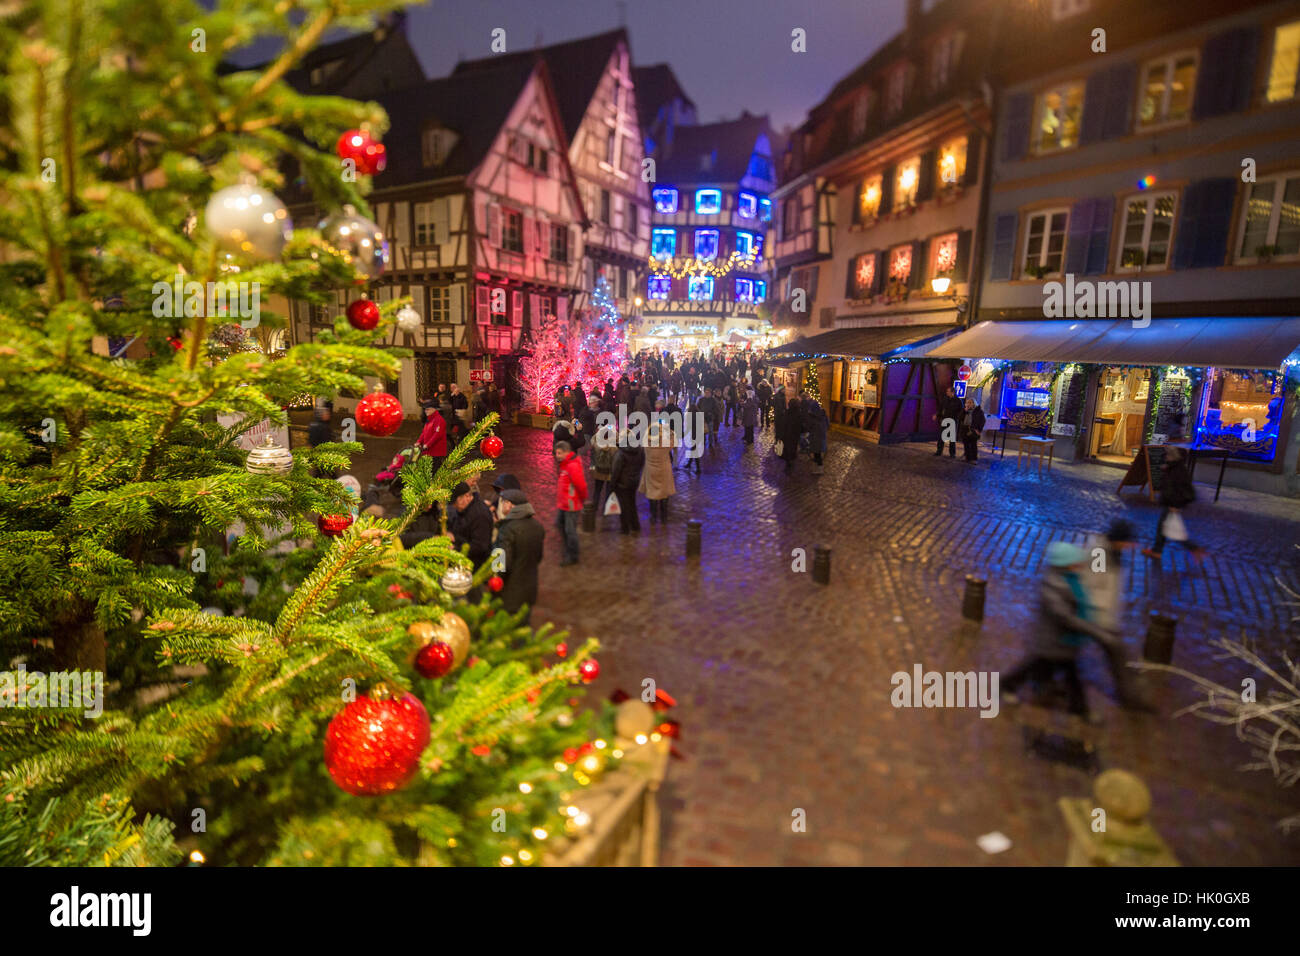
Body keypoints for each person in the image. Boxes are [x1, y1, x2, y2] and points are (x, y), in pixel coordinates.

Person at [1001, 541, 1115, 719]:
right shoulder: (1054, 586)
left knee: (1070, 676)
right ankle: (1005, 686)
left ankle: (1079, 708)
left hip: (1065, 642)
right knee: (1035, 668)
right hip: (1053, 642)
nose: (1079, 564)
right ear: (1065, 564)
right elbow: (1065, 617)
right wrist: (1094, 631)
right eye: (1075, 562)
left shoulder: (1070, 579)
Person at [1083, 519, 1155, 711]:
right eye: (1127, 542)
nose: (1130, 546)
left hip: (1106, 619)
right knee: (1118, 657)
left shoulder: (1114, 553)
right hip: (1097, 619)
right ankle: (1130, 699)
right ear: (1118, 539)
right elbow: (1093, 584)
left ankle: (1130, 697)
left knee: (1116, 657)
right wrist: (1101, 614)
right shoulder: (1100, 553)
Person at [1142, 448, 1205, 562]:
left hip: (1172, 505)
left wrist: (1176, 505)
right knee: (1166, 529)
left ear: (1173, 457)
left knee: (1170, 530)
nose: (1166, 457)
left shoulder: (1178, 471)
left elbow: (1184, 491)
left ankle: (1192, 548)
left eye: (1168, 455)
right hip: (1169, 504)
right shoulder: (1173, 468)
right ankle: (1157, 550)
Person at [492, 488, 545, 622]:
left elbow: (501, 563)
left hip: (510, 592)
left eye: (502, 502)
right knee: (524, 626)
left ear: (509, 505)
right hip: (529, 588)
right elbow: (538, 557)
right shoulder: (537, 526)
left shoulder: (507, 529)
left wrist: (494, 577)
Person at [553, 440, 586, 566]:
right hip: (564, 504)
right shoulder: (566, 464)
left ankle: (573, 555)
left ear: (567, 452)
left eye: (559, 453)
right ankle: (568, 549)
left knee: (570, 530)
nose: (557, 456)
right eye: (556, 453)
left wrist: (581, 499)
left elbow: (581, 485)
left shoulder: (572, 466)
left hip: (571, 505)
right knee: (561, 526)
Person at [639, 422, 677, 524]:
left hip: (651, 471)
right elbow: (673, 438)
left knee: (652, 493)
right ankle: (664, 518)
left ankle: (653, 517)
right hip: (664, 470)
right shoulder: (665, 444)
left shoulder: (646, 443)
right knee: (664, 494)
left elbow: (644, 436)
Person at [610, 434, 644, 534]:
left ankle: (625, 528)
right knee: (632, 503)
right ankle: (635, 525)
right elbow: (642, 464)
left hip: (622, 483)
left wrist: (612, 484)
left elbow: (616, 471)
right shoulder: (640, 451)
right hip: (634, 481)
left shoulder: (620, 454)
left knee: (623, 506)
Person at [590, 424, 617, 522]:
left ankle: (594, 507)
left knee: (597, 490)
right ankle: (606, 509)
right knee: (608, 492)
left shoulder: (597, 444)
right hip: (610, 473)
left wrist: (599, 432)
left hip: (599, 471)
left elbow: (592, 440)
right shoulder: (614, 447)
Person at [935, 385, 964, 457]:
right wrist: (937, 415)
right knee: (941, 436)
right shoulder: (945, 399)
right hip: (945, 420)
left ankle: (952, 453)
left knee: (952, 438)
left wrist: (957, 418)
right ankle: (939, 451)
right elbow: (941, 408)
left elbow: (961, 411)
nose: (946, 392)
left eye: (948, 391)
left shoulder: (958, 401)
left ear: (952, 392)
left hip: (953, 421)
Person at [802, 392, 828, 467]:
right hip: (818, 433)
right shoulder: (818, 414)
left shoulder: (814, 415)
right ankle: (818, 463)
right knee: (817, 449)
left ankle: (819, 466)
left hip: (817, 434)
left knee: (817, 450)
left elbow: (812, 425)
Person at [781, 394, 803, 472]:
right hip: (795, 434)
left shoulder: (787, 412)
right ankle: (792, 457)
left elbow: (784, 423)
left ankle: (788, 460)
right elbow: (800, 424)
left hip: (787, 433)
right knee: (793, 446)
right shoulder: (799, 413)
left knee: (787, 446)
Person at [960, 398, 986, 463]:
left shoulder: (979, 411)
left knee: (973, 445)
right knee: (966, 444)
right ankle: (967, 458)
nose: (968, 404)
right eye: (967, 403)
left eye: (970, 402)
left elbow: (982, 421)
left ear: (974, 403)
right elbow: (959, 418)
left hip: (974, 429)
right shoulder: (965, 410)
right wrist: (964, 411)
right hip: (965, 429)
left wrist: (979, 430)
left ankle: (974, 459)